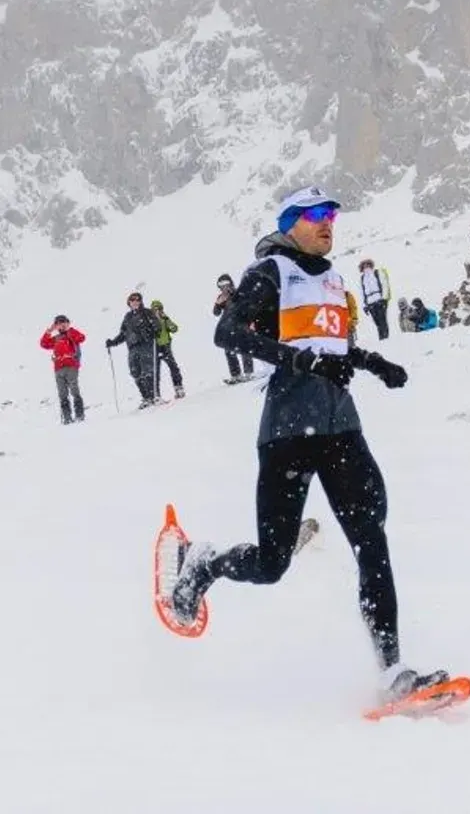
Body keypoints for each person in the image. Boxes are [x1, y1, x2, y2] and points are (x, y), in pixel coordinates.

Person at [166, 184, 450, 704]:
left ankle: (392, 671)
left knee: (371, 536)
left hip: (341, 426)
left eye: (333, 215)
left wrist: (371, 363)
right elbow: (227, 334)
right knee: (273, 564)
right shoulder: (271, 273)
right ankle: (203, 564)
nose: (328, 223)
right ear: (291, 221)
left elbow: (332, 346)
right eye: (316, 214)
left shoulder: (335, 278)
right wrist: (305, 364)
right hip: (288, 433)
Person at [104, 292, 163, 408]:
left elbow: (157, 325)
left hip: (145, 344)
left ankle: (154, 396)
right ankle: (146, 398)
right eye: (132, 300)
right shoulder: (128, 317)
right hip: (132, 348)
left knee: (148, 371)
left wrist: (155, 329)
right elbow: (123, 334)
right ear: (129, 303)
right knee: (135, 372)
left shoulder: (147, 313)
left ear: (140, 301)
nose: (135, 302)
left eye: (137, 300)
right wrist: (113, 342)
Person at [40, 315, 88, 424]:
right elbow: (44, 344)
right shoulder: (56, 338)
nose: (61, 324)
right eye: (58, 323)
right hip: (58, 368)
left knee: (74, 390)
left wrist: (69, 330)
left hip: (71, 366)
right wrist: (49, 331)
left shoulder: (71, 334)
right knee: (62, 393)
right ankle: (67, 417)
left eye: (64, 322)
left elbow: (82, 338)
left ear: (68, 323)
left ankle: (79, 415)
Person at [148, 300, 185, 399]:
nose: (157, 311)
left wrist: (167, 320)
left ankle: (179, 388)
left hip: (166, 347)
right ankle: (156, 394)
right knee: (155, 371)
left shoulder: (165, 319)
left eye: (158, 308)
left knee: (173, 367)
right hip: (155, 348)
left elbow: (174, 329)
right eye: (154, 309)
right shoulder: (149, 321)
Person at [357, 260, 391, 341]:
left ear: (370, 265)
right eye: (364, 265)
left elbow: (384, 284)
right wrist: (365, 305)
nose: (366, 266)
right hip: (370, 302)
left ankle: (386, 338)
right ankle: (381, 337)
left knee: (383, 320)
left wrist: (384, 299)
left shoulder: (376, 273)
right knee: (377, 322)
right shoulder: (362, 278)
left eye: (367, 264)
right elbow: (362, 292)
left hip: (379, 299)